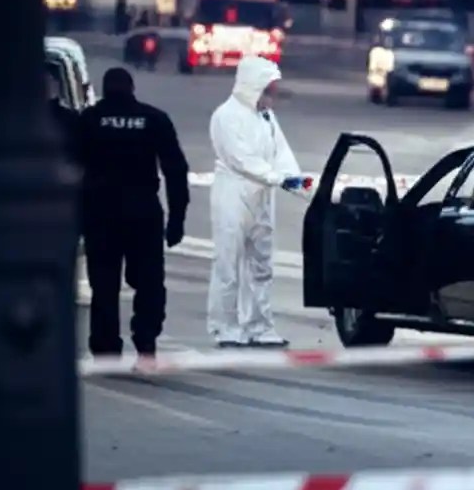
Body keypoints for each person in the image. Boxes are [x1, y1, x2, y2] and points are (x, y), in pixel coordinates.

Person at [76, 67, 189, 358]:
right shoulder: (153, 119)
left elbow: (70, 171)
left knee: (103, 283)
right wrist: (177, 218)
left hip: (100, 214)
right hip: (143, 213)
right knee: (149, 280)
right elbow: (175, 169)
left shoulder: (89, 120)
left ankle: (105, 345)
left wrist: (73, 219)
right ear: (132, 88)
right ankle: (146, 337)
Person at [207, 55, 305, 348]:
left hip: (262, 196)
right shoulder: (225, 116)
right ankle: (225, 327)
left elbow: (281, 154)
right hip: (233, 195)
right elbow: (241, 159)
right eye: (268, 90)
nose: (272, 96)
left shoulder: (266, 117)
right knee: (228, 263)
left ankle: (259, 327)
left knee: (261, 264)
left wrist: (300, 183)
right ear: (252, 87)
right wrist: (278, 178)